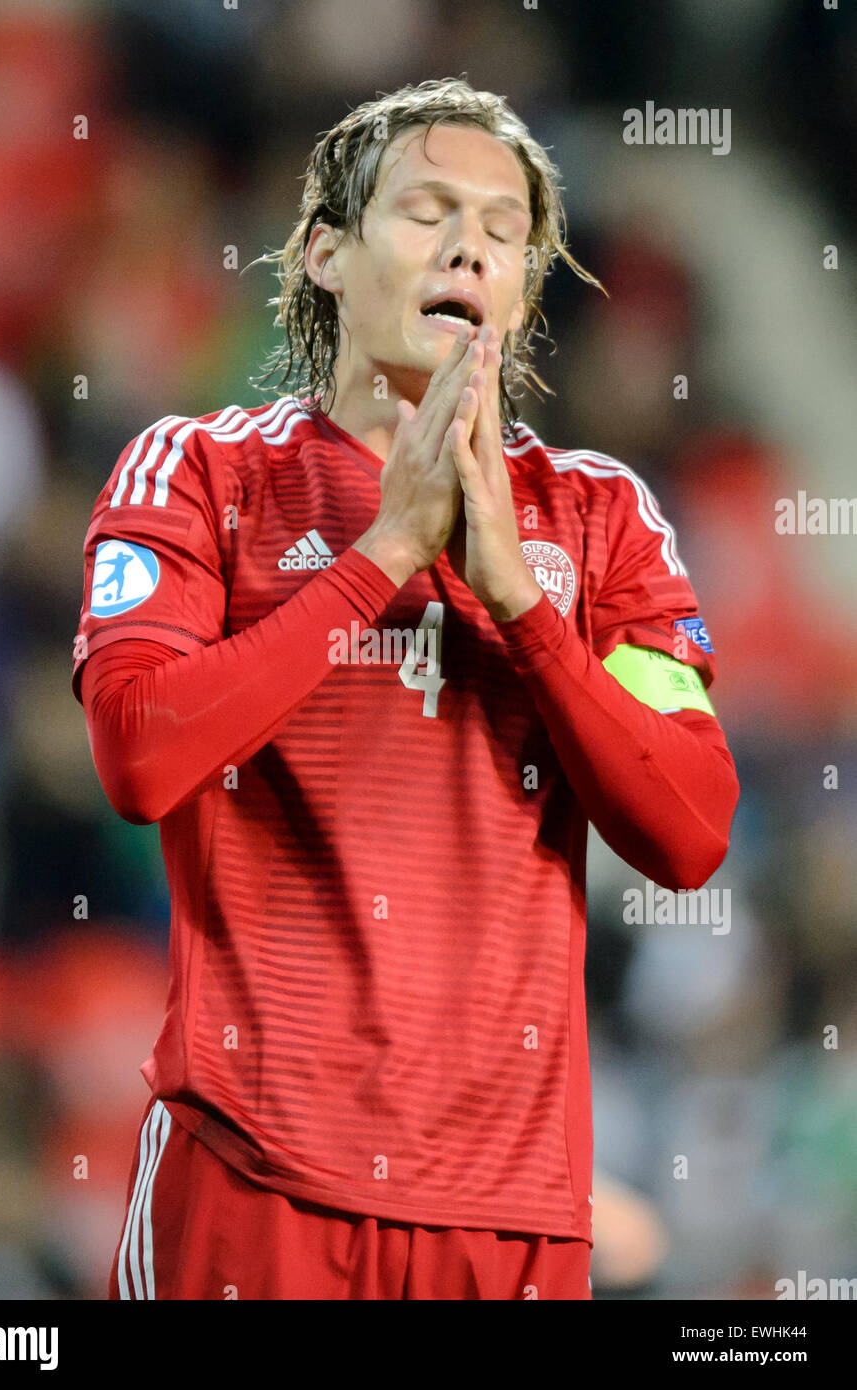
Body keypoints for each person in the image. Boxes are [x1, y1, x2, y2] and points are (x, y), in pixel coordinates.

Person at [70, 77, 739, 1300]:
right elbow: (138, 753)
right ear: (325, 250)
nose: (468, 246)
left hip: (513, 1216)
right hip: (254, 1173)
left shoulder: (601, 521)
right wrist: (379, 559)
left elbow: (690, 829)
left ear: (525, 286)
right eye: (428, 210)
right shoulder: (200, 471)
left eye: (501, 229)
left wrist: (524, 612)